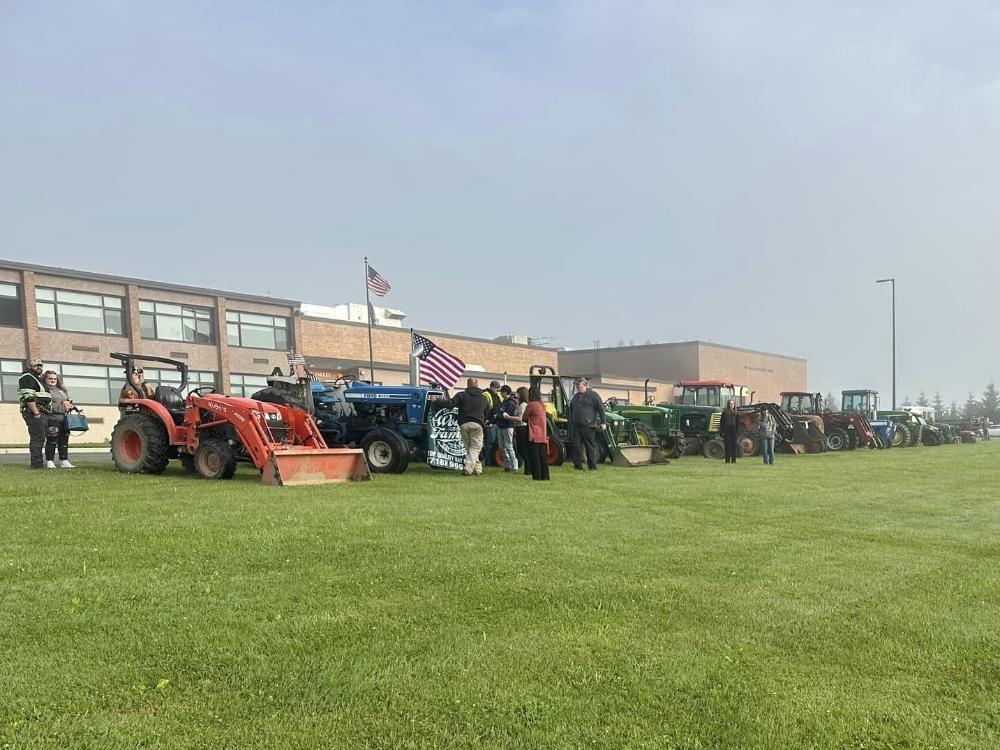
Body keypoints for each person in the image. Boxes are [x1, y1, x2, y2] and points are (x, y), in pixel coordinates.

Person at [438, 378, 490, 476]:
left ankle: (476, 469)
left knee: (470, 448)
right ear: (477, 384)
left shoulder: (461, 395)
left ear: (467, 385)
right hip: (478, 424)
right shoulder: (484, 398)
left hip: (464, 423)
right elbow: (487, 412)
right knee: (475, 448)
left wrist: (436, 401)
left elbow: (450, 404)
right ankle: (469, 469)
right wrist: (483, 421)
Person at [567, 377, 606, 470]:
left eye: (579, 386)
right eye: (576, 386)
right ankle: (577, 466)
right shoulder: (575, 397)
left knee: (589, 447)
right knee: (576, 446)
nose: (577, 388)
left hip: (588, 426)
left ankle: (592, 466)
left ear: (585, 385)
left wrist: (603, 422)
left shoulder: (593, 395)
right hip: (576, 425)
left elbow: (601, 409)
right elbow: (571, 409)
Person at [18, 358, 50, 469]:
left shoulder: (37, 379)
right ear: (30, 367)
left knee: (40, 438)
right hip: (35, 413)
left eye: (40, 365)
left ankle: (38, 463)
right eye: (36, 365)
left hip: (42, 412)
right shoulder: (27, 377)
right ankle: (37, 464)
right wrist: (36, 413)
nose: (39, 367)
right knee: (37, 438)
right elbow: (28, 396)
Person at [42, 370, 76, 469]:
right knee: (52, 440)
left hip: (64, 418)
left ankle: (64, 460)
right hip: (52, 418)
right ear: (45, 379)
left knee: (64, 440)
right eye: (50, 378)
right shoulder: (44, 390)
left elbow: (67, 400)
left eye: (55, 379)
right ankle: (50, 461)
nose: (53, 380)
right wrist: (62, 408)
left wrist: (71, 405)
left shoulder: (61, 390)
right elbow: (46, 405)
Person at [522, 388, 550, 481]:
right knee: (542, 456)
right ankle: (545, 476)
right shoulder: (542, 405)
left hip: (533, 433)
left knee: (534, 456)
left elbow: (524, 418)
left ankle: (537, 476)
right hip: (542, 433)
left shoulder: (531, 405)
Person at [496, 385, 519, 472]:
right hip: (501, 426)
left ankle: (514, 466)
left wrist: (498, 416)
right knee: (501, 447)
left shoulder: (510, 403)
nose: (500, 393)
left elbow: (508, 416)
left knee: (509, 446)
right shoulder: (504, 402)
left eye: (501, 392)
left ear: (505, 392)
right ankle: (507, 465)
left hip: (508, 426)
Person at [511, 386, 531, 475]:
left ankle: (528, 468)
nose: (516, 395)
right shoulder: (519, 404)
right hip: (518, 428)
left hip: (522, 428)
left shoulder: (523, 405)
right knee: (520, 449)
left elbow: (521, 418)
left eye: (518, 393)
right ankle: (528, 468)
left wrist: (509, 417)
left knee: (523, 449)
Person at [482, 380, 503, 466]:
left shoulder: (497, 396)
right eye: (496, 388)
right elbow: (486, 409)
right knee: (489, 442)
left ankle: (490, 461)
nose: (497, 390)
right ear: (491, 387)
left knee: (492, 442)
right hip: (488, 422)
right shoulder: (486, 394)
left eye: (498, 388)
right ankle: (488, 462)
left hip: (494, 422)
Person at [720, 399, 740, 464]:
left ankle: (734, 460)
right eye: (730, 404)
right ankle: (727, 460)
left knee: (734, 445)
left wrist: (737, 430)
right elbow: (722, 422)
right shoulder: (724, 412)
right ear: (728, 404)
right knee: (727, 445)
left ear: (734, 405)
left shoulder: (736, 413)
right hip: (727, 430)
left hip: (734, 430)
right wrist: (721, 431)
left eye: (733, 404)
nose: (732, 405)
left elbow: (737, 423)